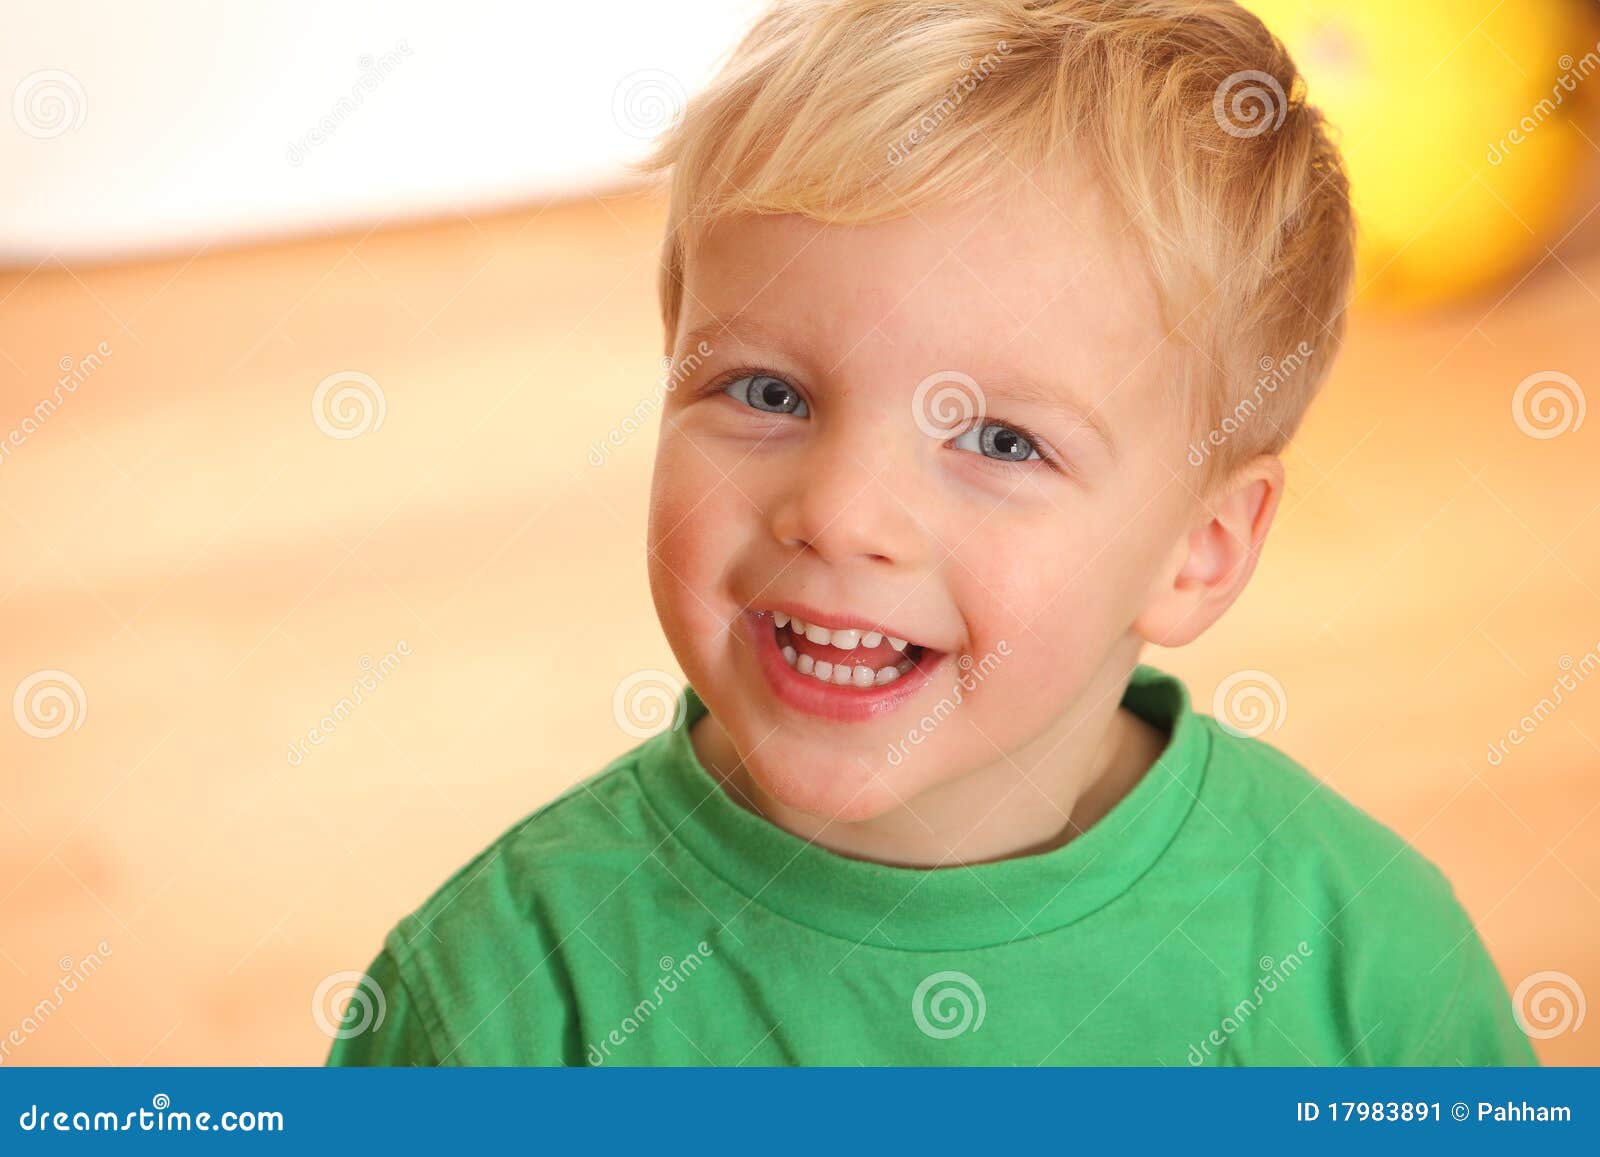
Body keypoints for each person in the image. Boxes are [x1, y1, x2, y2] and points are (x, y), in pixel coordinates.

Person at [327, 0, 1535, 1066]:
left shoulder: (1363, 972)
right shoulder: (494, 1010)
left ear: (1200, 549)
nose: (840, 512)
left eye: (1001, 441)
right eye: (767, 392)